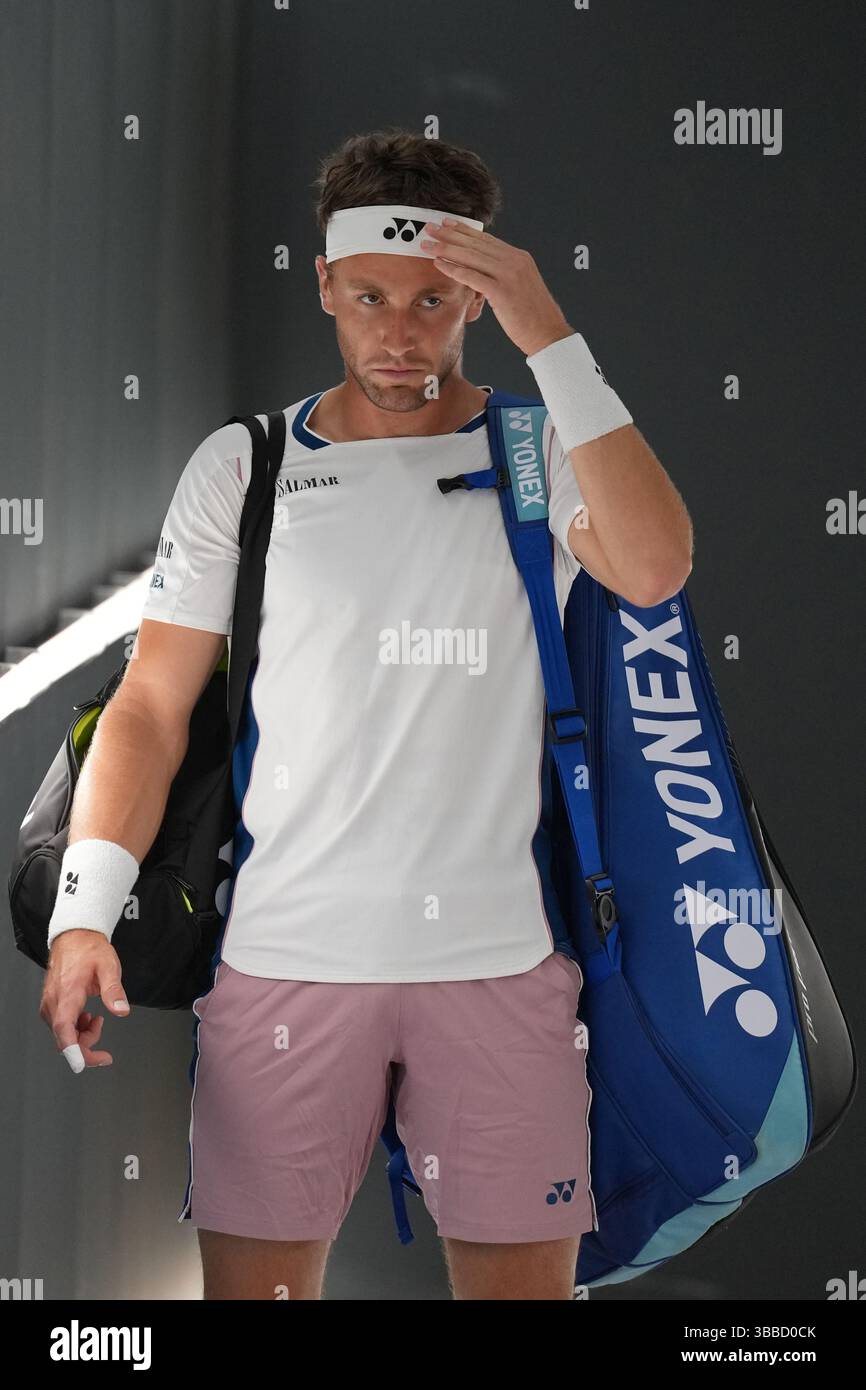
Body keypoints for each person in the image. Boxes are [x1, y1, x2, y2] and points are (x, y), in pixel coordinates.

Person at [39, 128, 693, 1300]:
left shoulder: (537, 453)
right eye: (374, 296)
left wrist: (549, 330)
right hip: (283, 966)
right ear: (327, 282)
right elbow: (149, 702)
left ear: (477, 300)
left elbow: (651, 568)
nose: (400, 334)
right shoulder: (244, 466)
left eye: (437, 300)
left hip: (498, 967)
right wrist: (84, 910)